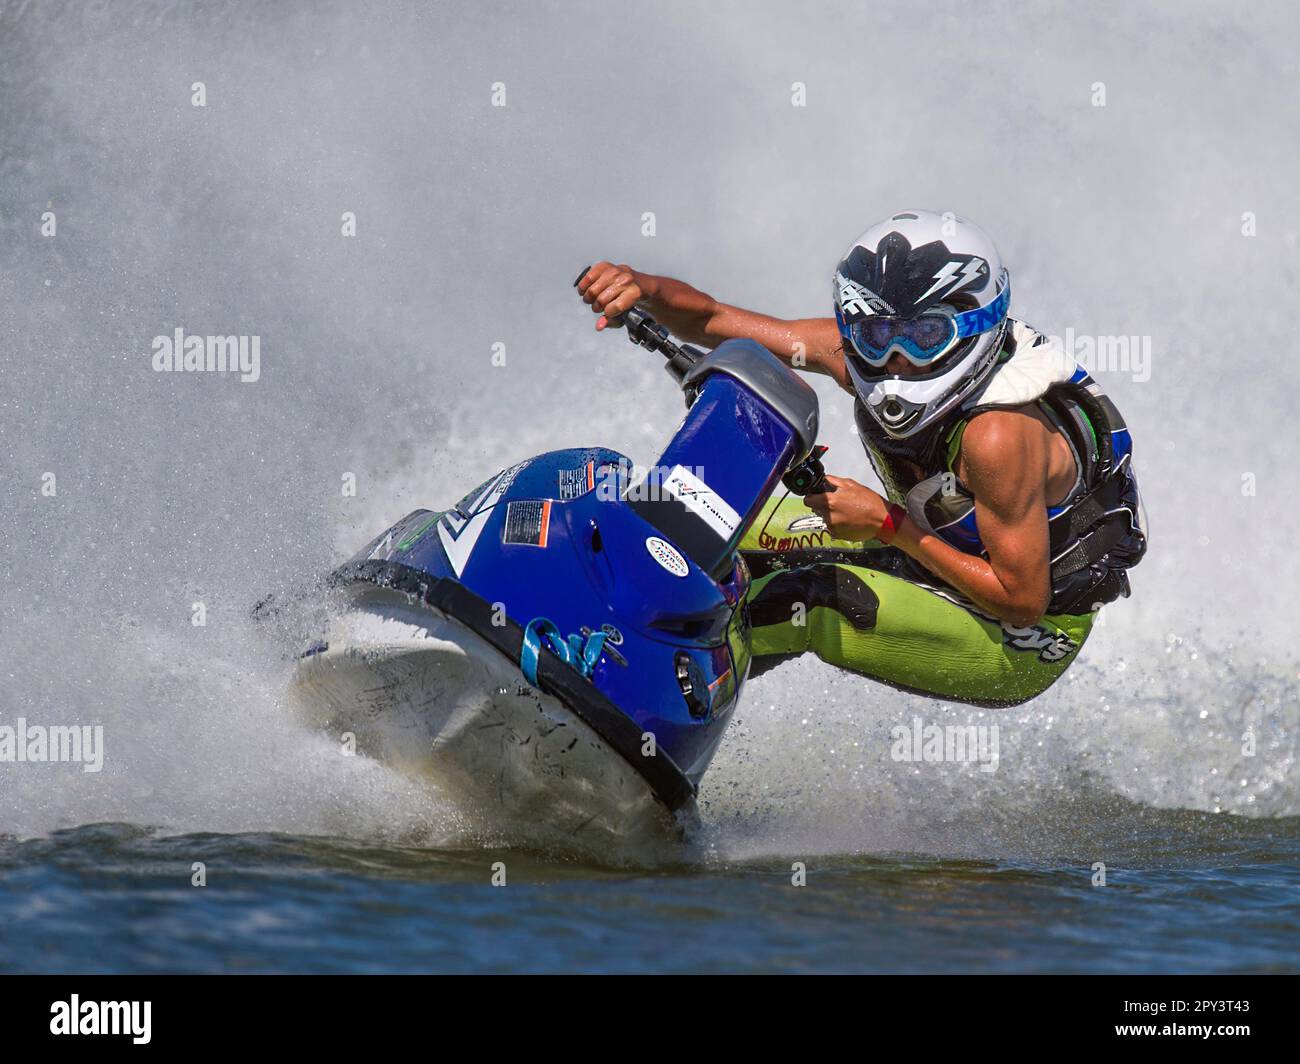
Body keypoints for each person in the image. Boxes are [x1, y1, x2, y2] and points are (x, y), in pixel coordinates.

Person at [575, 210, 1146, 705]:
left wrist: (888, 525)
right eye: (876, 333)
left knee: (807, 599)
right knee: (703, 513)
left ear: (977, 327)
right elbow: (711, 321)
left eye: (925, 335)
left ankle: (640, 706)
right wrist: (642, 287)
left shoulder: (998, 435)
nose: (896, 359)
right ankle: (575, 614)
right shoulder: (855, 359)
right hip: (931, 550)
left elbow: (1023, 601)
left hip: (1020, 639)